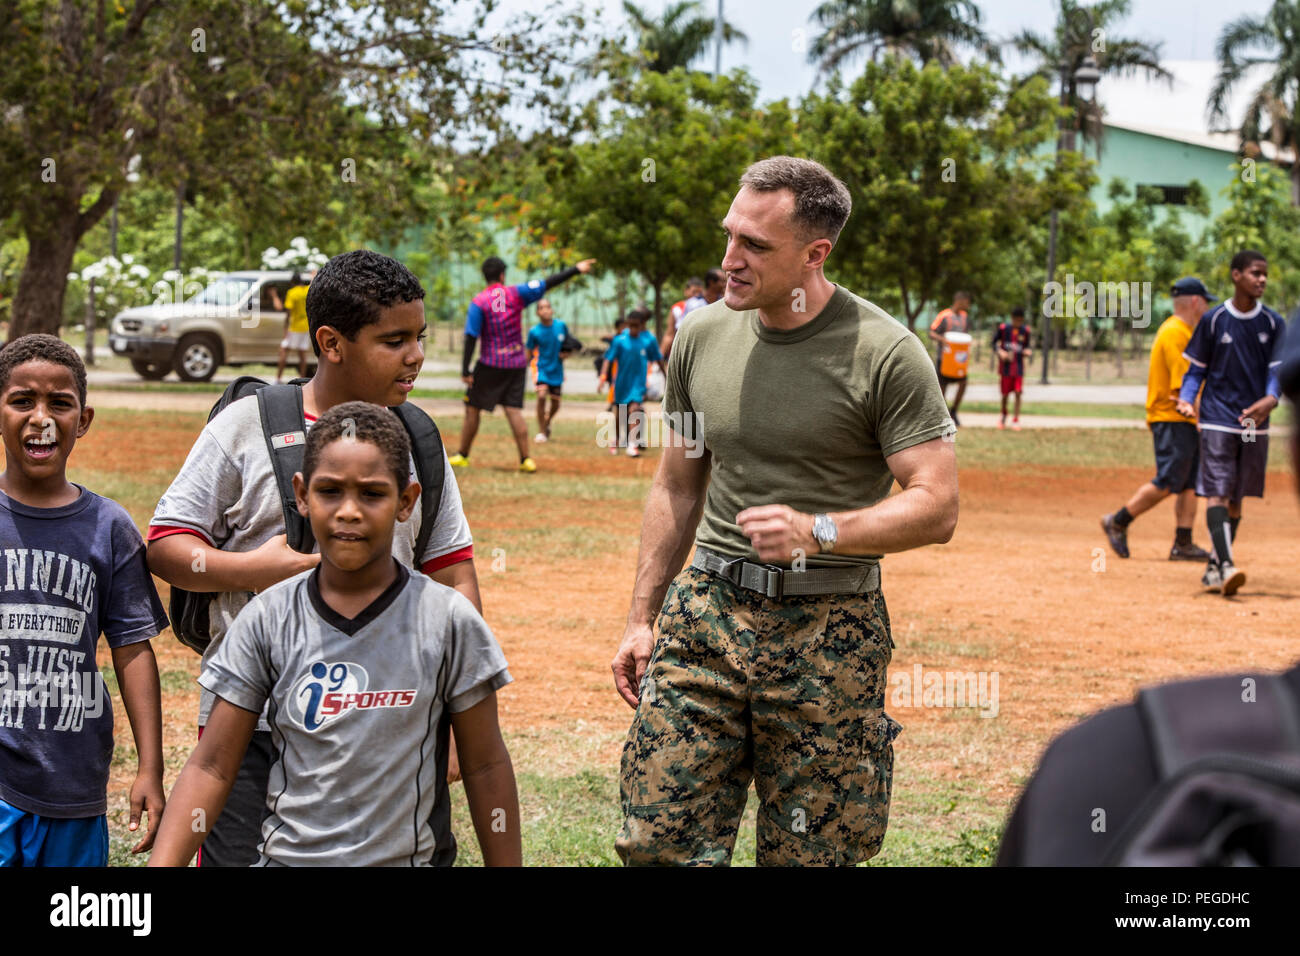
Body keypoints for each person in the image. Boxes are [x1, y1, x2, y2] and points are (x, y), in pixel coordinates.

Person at [610, 157, 957, 866]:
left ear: (814, 253)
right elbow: (677, 484)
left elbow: (937, 504)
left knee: (812, 856)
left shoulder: (885, 352)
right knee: (657, 844)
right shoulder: (702, 336)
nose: (729, 260)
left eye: (755, 247)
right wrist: (642, 616)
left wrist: (820, 531)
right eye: (731, 235)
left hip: (830, 633)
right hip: (704, 615)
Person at [147, 250, 480, 867]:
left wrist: (460, 709)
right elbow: (166, 546)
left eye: (420, 338)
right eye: (394, 340)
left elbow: (453, 573)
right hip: (249, 726)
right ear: (331, 342)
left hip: (385, 720)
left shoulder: (418, 440)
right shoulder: (247, 426)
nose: (416, 356)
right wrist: (256, 572)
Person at [149, 403, 519, 867]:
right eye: (329, 491)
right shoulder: (266, 621)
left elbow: (486, 765)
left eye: (371, 493)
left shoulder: (448, 622)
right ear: (301, 495)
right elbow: (212, 765)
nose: (348, 511)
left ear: (407, 501)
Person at [997, 325, 1300, 867]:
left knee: (1188, 483)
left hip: (1193, 416)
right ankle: (1126, 520)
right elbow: (1188, 376)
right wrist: (1183, 403)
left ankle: (1190, 544)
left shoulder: (1116, 760)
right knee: (1176, 479)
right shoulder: (1183, 331)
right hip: (1175, 416)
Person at [0, 334, 168, 865]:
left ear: (84, 419)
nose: (41, 418)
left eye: (60, 403)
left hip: (74, 780)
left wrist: (151, 768)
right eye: (22, 400)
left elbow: (132, 648)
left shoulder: (109, 526)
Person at [1176, 251, 1285, 596]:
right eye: (1255, 273)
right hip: (1218, 420)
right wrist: (1186, 397)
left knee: (1237, 495)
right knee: (1218, 490)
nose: (1262, 280)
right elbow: (1196, 370)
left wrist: (1271, 399)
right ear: (1236, 275)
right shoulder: (1214, 320)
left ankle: (1214, 566)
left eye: (1265, 274)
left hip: (1252, 424)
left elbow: (1277, 372)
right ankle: (1225, 565)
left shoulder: (1272, 323)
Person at [1101, 278, 1215, 562]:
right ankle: (1118, 521)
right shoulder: (1176, 333)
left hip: (1182, 420)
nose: (1207, 308)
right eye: (1206, 302)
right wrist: (1205, 421)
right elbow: (1183, 387)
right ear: (1195, 302)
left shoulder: (1184, 331)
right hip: (1172, 417)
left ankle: (1183, 543)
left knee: (1190, 484)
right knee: (1168, 480)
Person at [450, 255, 596, 473]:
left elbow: (471, 336)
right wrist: (575, 269)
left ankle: (463, 455)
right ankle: (525, 459)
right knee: (514, 410)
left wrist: (465, 369)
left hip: (490, 363)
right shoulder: (516, 293)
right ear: (502, 275)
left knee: (473, 408)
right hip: (516, 363)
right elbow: (548, 283)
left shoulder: (479, 302)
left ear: (485, 276)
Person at [598, 307, 662, 458]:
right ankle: (616, 439)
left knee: (634, 409)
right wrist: (602, 377)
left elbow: (658, 358)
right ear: (627, 324)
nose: (633, 329)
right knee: (620, 413)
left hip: (638, 383)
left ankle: (632, 445)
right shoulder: (620, 340)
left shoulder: (648, 340)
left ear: (642, 325)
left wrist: (667, 375)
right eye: (630, 325)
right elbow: (608, 359)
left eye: (636, 326)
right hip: (621, 383)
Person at [525, 298, 572, 444]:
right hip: (541, 369)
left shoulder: (561, 326)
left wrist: (566, 354)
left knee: (556, 404)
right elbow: (528, 352)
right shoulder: (534, 332)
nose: (545, 310)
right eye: (541, 307)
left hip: (557, 370)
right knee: (541, 396)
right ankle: (541, 431)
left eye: (547, 307)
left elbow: (568, 345)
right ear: (537, 312)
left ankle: (546, 421)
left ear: (552, 310)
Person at [929, 291, 972, 426]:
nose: (968, 305)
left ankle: (954, 411)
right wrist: (943, 339)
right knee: (942, 387)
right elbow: (931, 332)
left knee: (963, 383)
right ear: (960, 301)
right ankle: (944, 414)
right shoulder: (944, 316)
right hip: (944, 359)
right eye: (967, 302)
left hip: (959, 359)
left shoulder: (965, 317)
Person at [272, 268, 315, 383]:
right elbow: (312, 285)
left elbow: (288, 313)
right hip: (305, 327)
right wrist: (313, 276)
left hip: (294, 327)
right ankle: (302, 378)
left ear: (292, 282)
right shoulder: (306, 291)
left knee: (284, 351)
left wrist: (286, 329)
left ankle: (278, 378)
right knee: (302, 355)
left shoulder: (292, 293)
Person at [993, 306, 1032, 430]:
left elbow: (1027, 347)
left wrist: (1027, 351)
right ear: (1012, 318)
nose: (1018, 323)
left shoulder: (1025, 331)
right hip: (1006, 368)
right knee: (1005, 394)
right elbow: (993, 343)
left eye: (1021, 321)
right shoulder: (1004, 329)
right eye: (1016, 320)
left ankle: (1016, 419)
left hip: (1019, 368)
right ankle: (1004, 415)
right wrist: (1000, 352)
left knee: (1018, 392)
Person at [661, 278, 704, 362]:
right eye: (694, 292)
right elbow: (669, 334)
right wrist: (660, 357)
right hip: (680, 352)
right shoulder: (677, 308)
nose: (696, 295)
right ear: (686, 291)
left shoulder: (706, 306)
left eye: (699, 293)